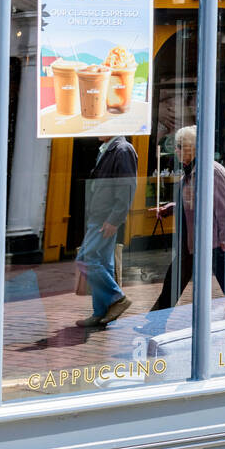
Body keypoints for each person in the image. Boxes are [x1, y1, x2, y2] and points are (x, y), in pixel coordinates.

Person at [148, 125, 225, 314]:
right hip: (194, 239)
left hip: (212, 240)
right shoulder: (191, 170)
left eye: (178, 146)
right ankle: (155, 319)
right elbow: (197, 204)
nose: (175, 150)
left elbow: (224, 209)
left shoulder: (212, 171)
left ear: (190, 148)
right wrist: (171, 208)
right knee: (174, 279)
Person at [75, 134, 139, 328]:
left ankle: (116, 298)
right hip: (100, 216)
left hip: (104, 218)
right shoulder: (111, 149)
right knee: (103, 262)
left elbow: (127, 187)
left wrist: (114, 219)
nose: (97, 130)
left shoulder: (122, 149)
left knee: (85, 258)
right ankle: (101, 312)